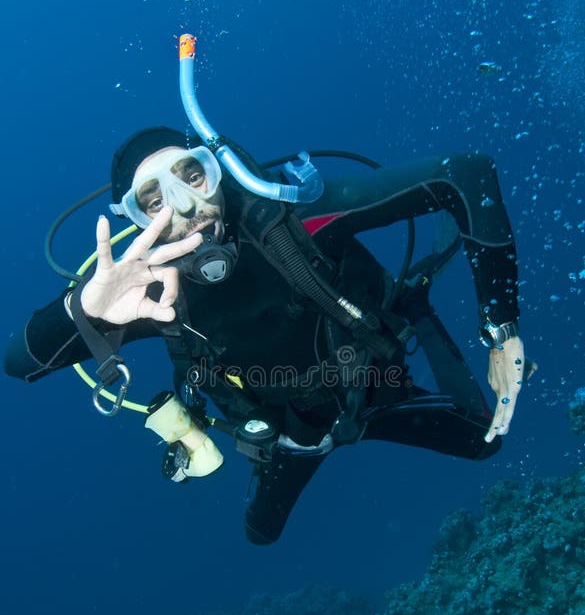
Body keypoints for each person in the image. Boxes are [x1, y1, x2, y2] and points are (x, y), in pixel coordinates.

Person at [4, 126, 531, 544]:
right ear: (134, 219)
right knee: (260, 535)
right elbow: (18, 361)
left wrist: (501, 327)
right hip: (287, 435)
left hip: (373, 388)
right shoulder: (149, 295)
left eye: (192, 175)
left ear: (217, 170)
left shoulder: (291, 221)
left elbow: (465, 174)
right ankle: (317, 439)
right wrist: (87, 309)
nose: (185, 207)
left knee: (485, 444)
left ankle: (416, 316)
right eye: (154, 200)